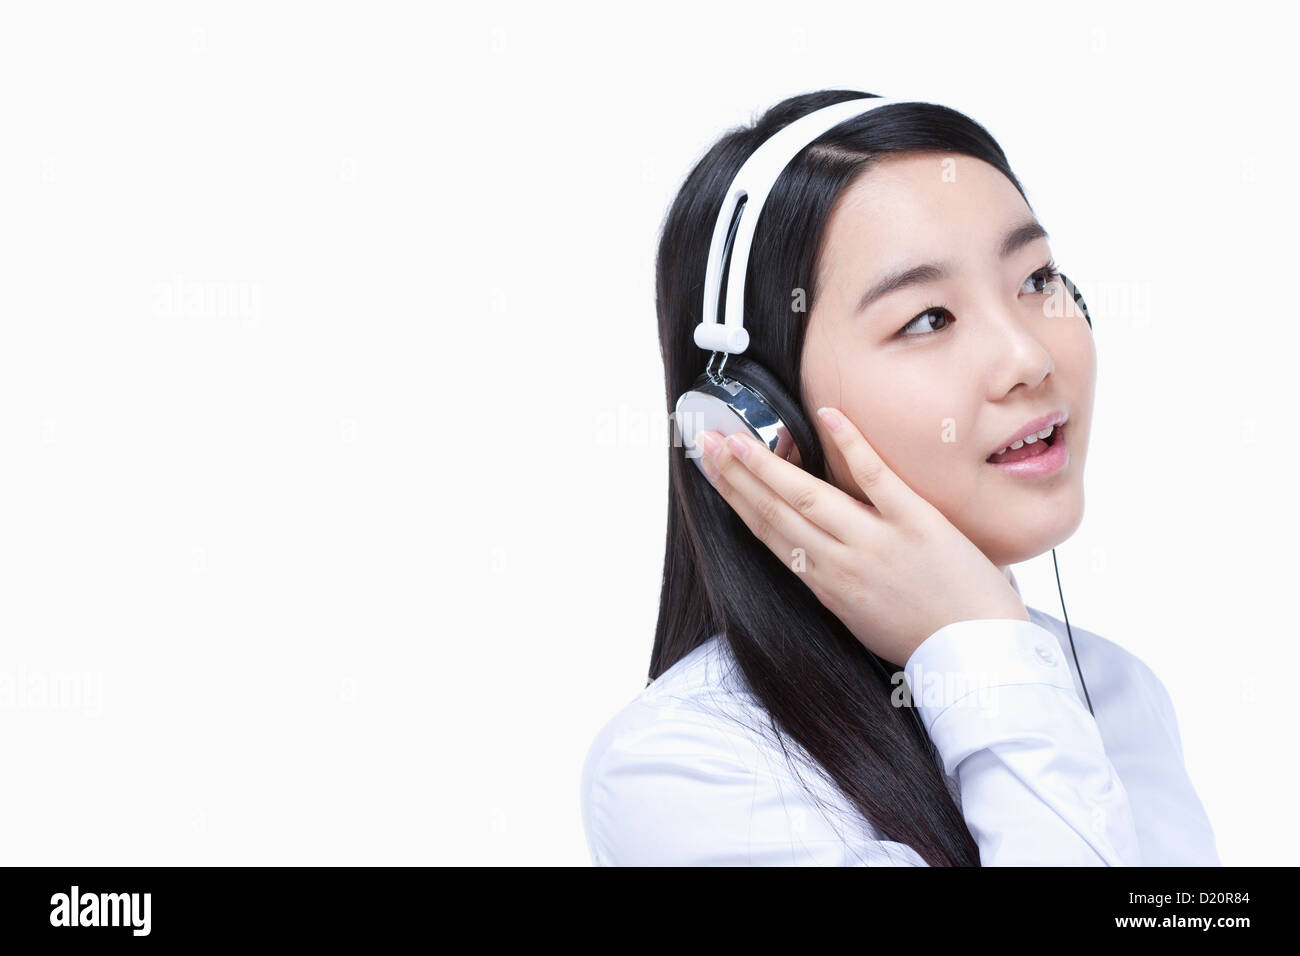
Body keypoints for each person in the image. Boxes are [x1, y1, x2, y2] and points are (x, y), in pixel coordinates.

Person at [580, 90, 1219, 866]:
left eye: (1036, 279)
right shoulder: (684, 770)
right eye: (928, 319)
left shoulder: (1117, 695)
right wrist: (978, 646)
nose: (1029, 359)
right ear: (757, 421)